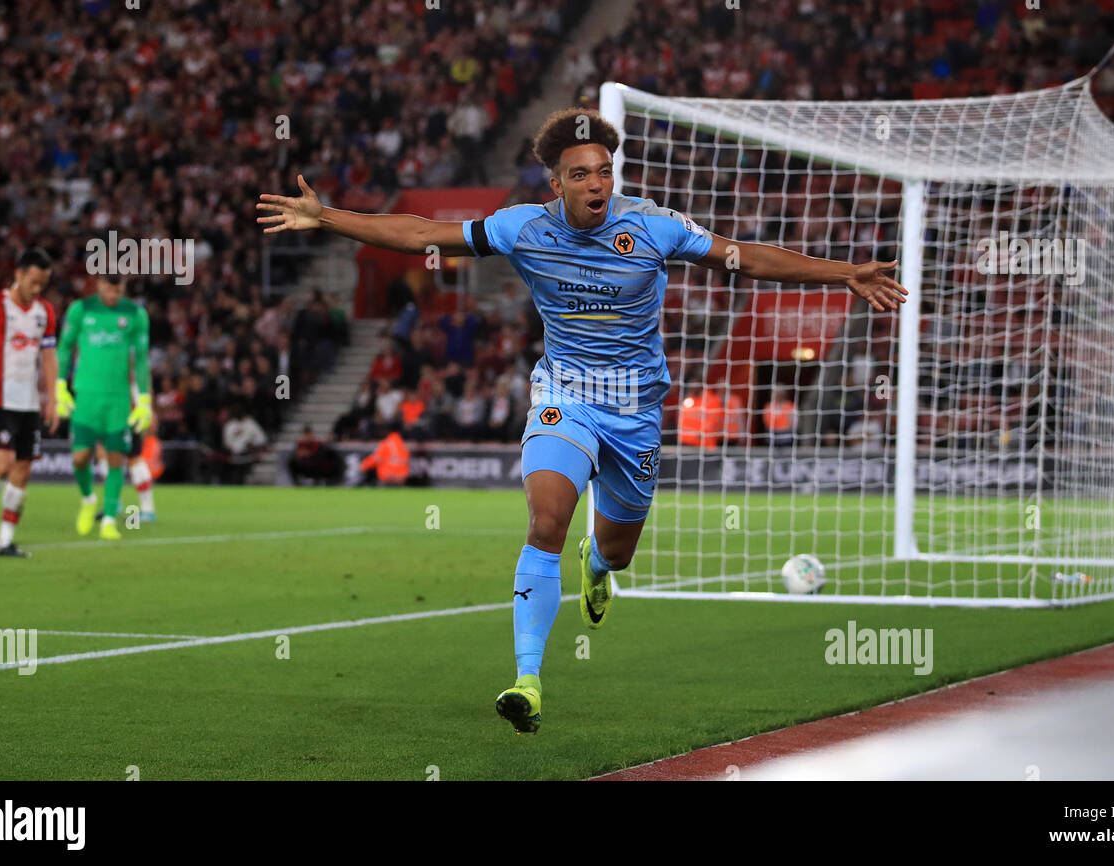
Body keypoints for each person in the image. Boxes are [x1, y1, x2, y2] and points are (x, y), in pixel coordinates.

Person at [255, 106, 906, 734]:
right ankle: (527, 681)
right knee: (545, 520)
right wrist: (328, 219)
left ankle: (598, 560)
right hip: (565, 394)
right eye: (582, 174)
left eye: (604, 171)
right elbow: (424, 235)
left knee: (618, 549)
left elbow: (747, 258)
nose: (598, 183)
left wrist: (845, 273)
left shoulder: (653, 226)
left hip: (636, 409)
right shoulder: (522, 228)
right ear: (556, 183)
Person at [0, 248, 58, 557]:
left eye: (41, 284)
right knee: (1, 465)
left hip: (29, 404)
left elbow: (48, 357)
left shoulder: (45, 312)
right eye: (33, 282)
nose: (36, 290)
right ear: (18, 274)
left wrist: (53, 399)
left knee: (22, 472)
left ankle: (5, 542)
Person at [55, 273, 151, 541]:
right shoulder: (81, 310)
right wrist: (59, 385)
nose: (113, 295)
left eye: (118, 290)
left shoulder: (135, 314)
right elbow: (64, 348)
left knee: (116, 459)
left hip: (118, 399)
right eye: (109, 289)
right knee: (80, 458)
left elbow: (141, 359)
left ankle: (109, 519)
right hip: (86, 395)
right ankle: (88, 499)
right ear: (98, 285)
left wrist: (144, 398)